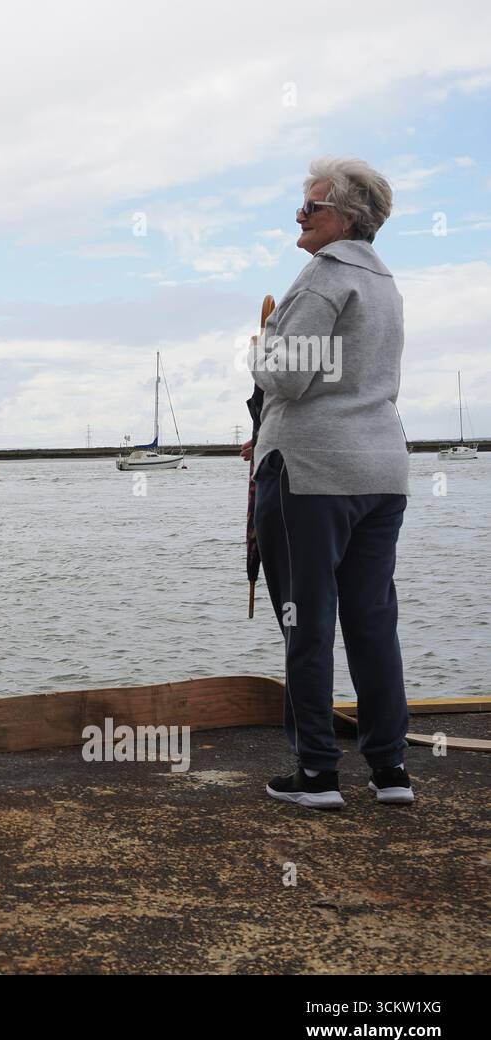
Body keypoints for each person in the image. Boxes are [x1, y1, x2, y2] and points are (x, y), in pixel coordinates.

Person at [247, 157, 412, 810]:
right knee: (373, 619)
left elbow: (285, 376)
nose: (300, 215)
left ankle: (316, 772)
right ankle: (390, 767)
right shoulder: (386, 285)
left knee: (305, 620)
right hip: (382, 470)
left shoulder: (323, 278)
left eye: (310, 206)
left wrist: (258, 347)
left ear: (345, 217)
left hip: (311, 473)